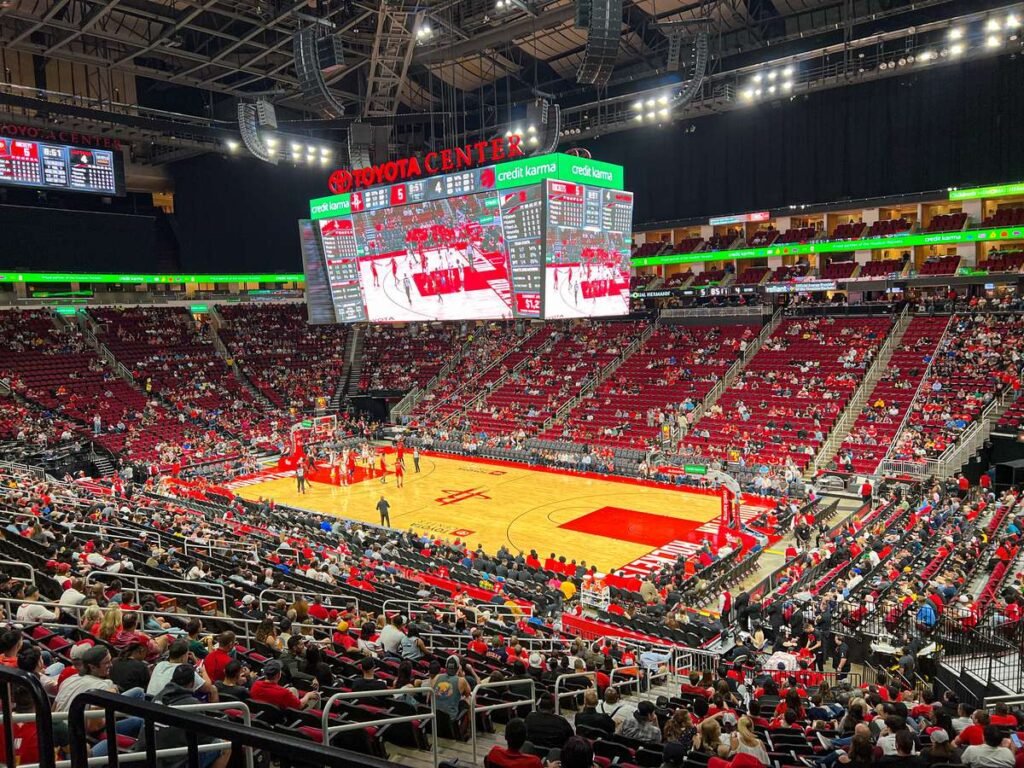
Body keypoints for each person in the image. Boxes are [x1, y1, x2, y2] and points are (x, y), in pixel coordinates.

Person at [138, 664, 232, 768]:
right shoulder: (192, 705)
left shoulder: (157, 697)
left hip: (147, 758)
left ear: (173, 679)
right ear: (192, 683)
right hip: (172, 762)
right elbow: (205, 739)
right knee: (226, 745)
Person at [250, 660, 319, 710]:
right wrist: (308, 695)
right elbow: (300, 705)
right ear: (278, 675)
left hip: (264, 713)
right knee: (316, 695)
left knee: (293, 689)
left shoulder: (255, 685)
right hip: (283, 717)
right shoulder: (283, 692)